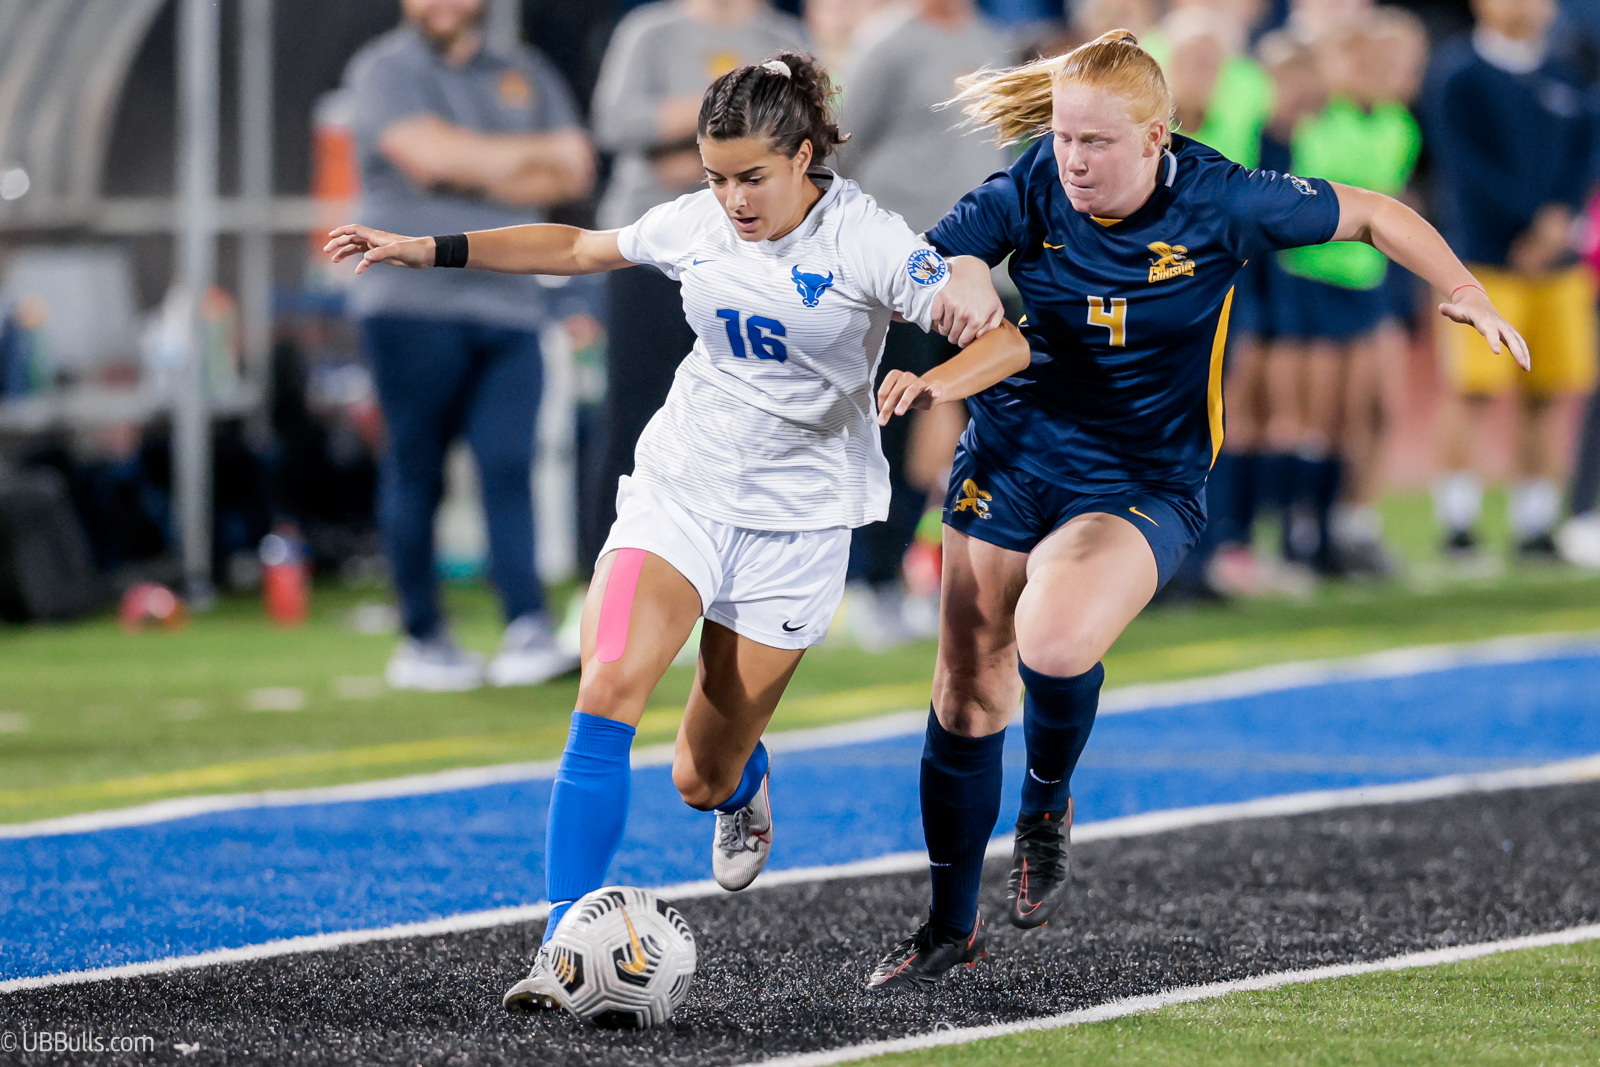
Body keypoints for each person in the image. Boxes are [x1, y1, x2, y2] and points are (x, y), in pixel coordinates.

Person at [326, 52, 1029, 1009]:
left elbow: (1005, 339)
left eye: (752, 177)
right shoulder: (696, 221)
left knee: (700, 773)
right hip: (682, 485)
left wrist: (938, 370)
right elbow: (578, 248)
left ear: (806, 156)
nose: (731, 199)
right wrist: (428, 247)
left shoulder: (867, 239)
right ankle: (561, 950)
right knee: (609, 679)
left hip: (799, 522)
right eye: (715, 176)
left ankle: (744, 785)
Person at [866, 29, 1529, 989]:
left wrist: (1462, 288)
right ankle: (947, 923)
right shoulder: (1030, 187)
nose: (1073, 161)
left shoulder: (1223, 199)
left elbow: (1378, 214)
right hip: (1013, 456)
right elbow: (935, 261)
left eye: (1097, 143)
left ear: (1157, 137)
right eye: (1062, 137)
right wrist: (956, 279)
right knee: (967, 685)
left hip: (1142, 479)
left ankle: (1046, 801)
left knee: (1050, 642)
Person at [343, 0, 594, 690]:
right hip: (408, 301)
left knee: (510, 463)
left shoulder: (525, 71)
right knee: (416, 467)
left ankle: (526, 627)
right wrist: (514, 165)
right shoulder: (383, 69)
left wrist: (469, 164)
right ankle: (423, 636)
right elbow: (424, 159)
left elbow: (572, 169)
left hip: (511, 299)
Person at [584, 0, 808, 572]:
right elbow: (615, 124)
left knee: (758, 415)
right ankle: (605, 569)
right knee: (636, 414)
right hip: (650, 252)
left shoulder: (783, 35)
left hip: (752, 255)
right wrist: (736, 130)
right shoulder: (651, 30)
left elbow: (810, 139)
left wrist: (690, 147)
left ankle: (734, 575)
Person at [833, 0, 1013, 647]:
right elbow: (839, 145)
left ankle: (929, 569)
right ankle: (867, 580)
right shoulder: (888, 43)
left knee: (988, 420)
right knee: (896, 420)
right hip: (905, 267)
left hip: (981, 272)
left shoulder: (994, 40)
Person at [1424, 0, 1597, 560]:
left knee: (1548, 391)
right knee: (1473, 389)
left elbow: (1585, 151)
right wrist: (1531, 224)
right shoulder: (1458, 71)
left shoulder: (1567, 66)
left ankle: (1535, 522)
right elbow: (1462, 164)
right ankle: (1458, 522)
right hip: (1482, 260)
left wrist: (1558, 221)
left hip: (1556, 262)